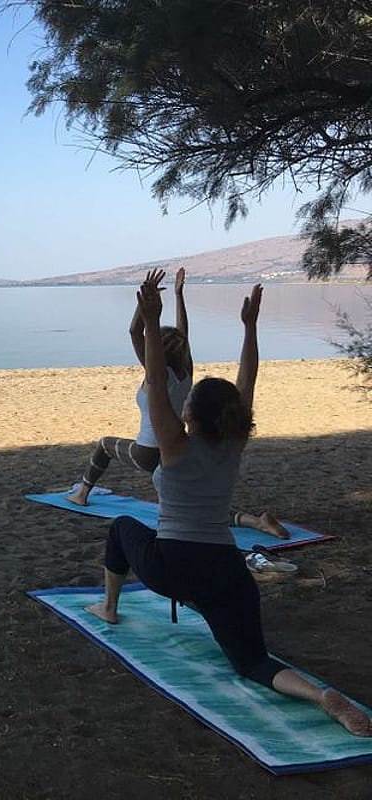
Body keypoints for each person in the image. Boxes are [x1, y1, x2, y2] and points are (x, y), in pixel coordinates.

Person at [85, 281, 372, 737]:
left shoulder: (175, 447)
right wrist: (250, 328)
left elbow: (156, 381)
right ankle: (321, 696)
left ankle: (109, 606)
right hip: (227, 570)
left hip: (173, 565)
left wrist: (154, 323)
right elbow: (247, 378)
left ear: (191, 415)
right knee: (253, 661)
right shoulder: (232, 446)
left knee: (121, 526)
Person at [67, 268, 288, 540]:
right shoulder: (188, 373)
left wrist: (146, 310)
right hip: (177, 451)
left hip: (150, 451)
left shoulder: (158, 375)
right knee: (195, 504)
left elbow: (135, 334)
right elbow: (242, 377)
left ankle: (81, 493)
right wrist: (179, 295)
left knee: (104, 445)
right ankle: (253, 521)